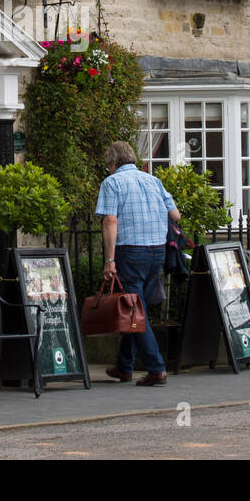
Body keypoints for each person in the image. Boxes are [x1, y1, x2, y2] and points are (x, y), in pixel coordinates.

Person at [95, 140, 180, 386]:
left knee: (134, 312)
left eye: (108, 165)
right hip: (157, 252)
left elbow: (110, 221)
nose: (108, 169)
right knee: (138, 306)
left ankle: (156, 368)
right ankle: (124, 366)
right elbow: (175, 215)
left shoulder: (112, 183)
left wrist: (109, 260)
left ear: (113, 162)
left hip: (130, 252)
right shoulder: (152, 180)